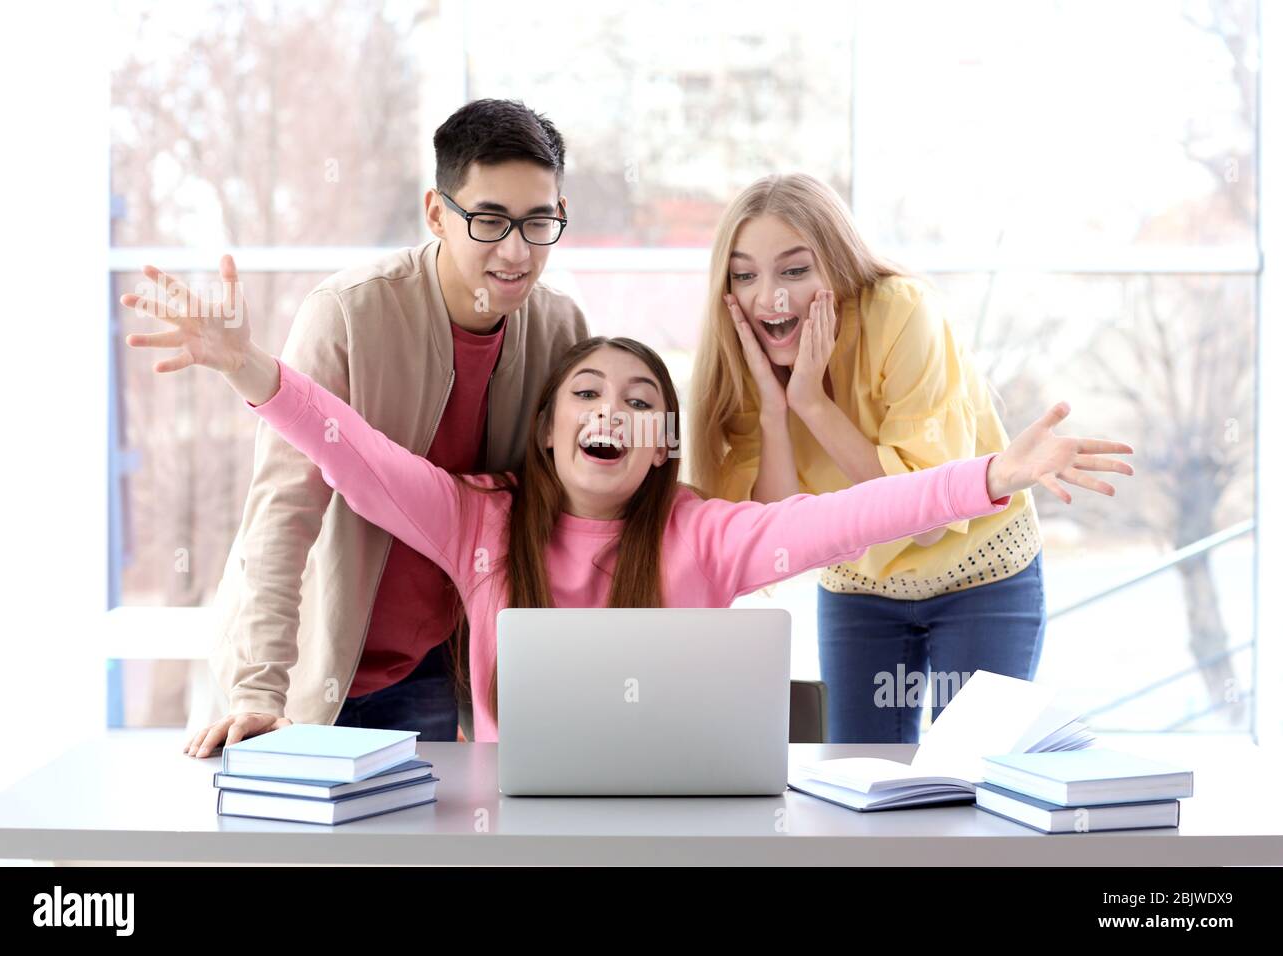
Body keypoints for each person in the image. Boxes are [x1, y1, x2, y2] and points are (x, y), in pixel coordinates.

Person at [123, 256, 1133, 745]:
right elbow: (357, 455)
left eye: (643, 402)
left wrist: (998, 474)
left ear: (661, 449)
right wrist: (253, 369)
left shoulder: (705, 533)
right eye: (589, 395)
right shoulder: (478, 518)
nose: (614, 412)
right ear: (552, 430)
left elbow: (856, 515)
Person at [160, 99, 588, 756]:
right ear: (437, 212)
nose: (515, 250)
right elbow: (283, 510)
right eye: (489, 220)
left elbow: (569, 516)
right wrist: (257, 691)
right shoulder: (349, 315)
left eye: (538, 222)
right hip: (317, 667)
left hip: (435, 666)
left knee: (427, 854)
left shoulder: (561, 332)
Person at [689, 173, 1132, 743]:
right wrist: (776, 411)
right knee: (860, 780)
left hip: (982, 576)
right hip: (861, 589)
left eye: (795, 270)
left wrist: (812, 402)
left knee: (969, 782)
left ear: (836, 267)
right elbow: (777, 542)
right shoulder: (744, 358)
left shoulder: (900, 311)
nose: (769, 296)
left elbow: (925, 524)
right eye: (745, 275)